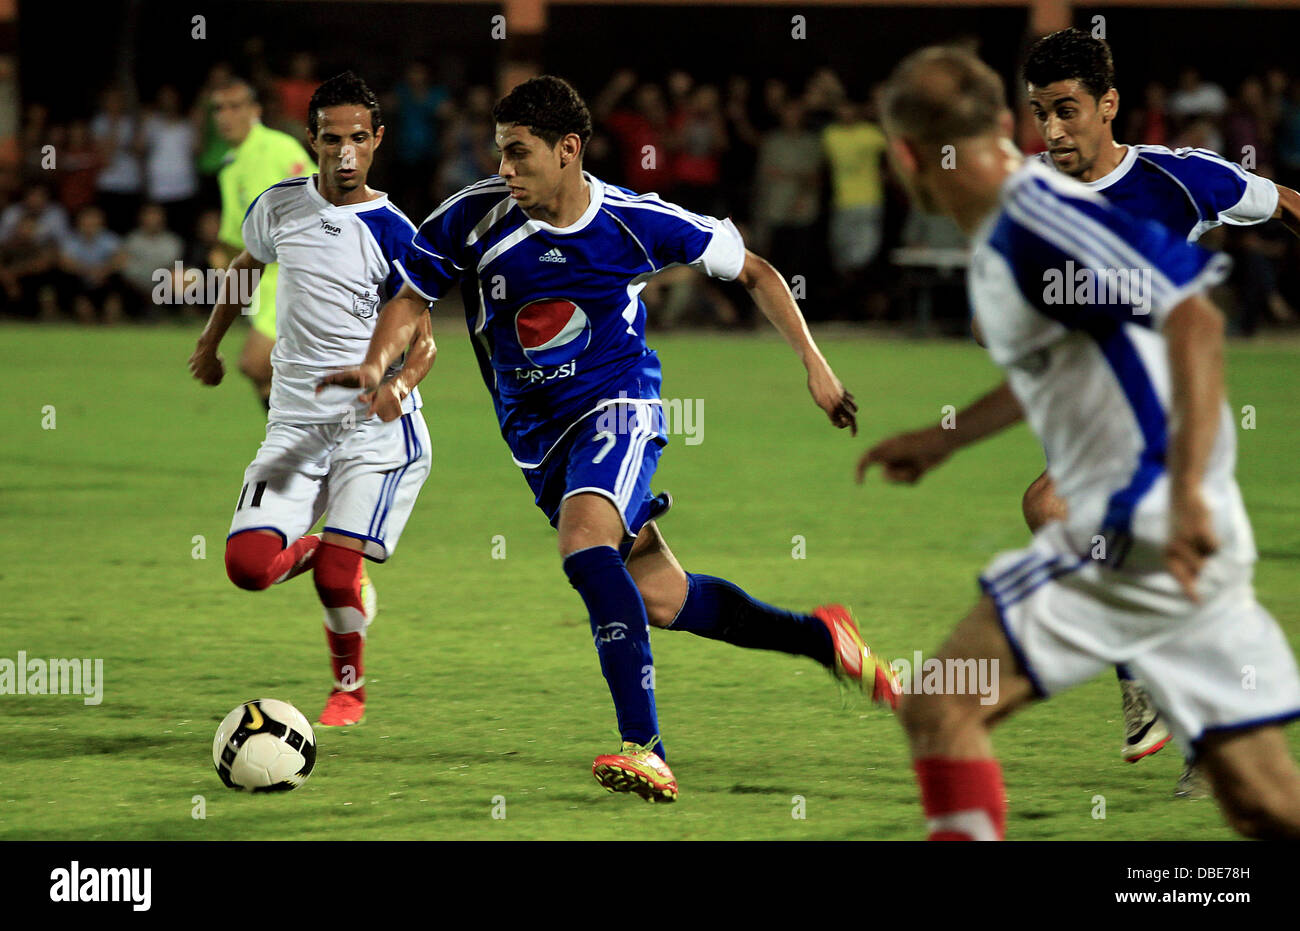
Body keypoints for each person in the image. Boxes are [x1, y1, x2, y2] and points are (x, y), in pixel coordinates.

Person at [323, 75, 898, 803]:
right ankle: (824, 639)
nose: (504, 169)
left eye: (519, 154)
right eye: (500, 153)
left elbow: (753, 269)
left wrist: (814, 363)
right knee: (662, 598)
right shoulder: (473, 218)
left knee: (586, 546)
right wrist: (379, 363)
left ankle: (645, 748)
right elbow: (412, 294)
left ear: (568, 151)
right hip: (535, 437)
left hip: (619, 408)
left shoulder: (632, 221)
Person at [861, 44, 1300, 840]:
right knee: (1264, 801)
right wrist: (942, 439)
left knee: (941, 703)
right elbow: (1054, 361)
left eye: (1067, 108)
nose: (1055, 127)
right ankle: (1159, 693)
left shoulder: (1043, 217)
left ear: (901, 157)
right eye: (1041, 112)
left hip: (1151, 515)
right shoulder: (1017, 224)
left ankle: (1145, 683)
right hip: (1164, 517)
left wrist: (1187, 487)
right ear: (1009, 119)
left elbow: (1193, 320)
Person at [189, 72, 435, 728]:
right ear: (313, 139)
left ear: (378, 140)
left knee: (334, 579)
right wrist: (211, 344)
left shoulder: (395, 232)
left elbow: (426, 343)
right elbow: (245, 265)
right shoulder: (280, 206)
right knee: (247, 567)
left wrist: (398, 389)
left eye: (359, 138)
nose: (346, 152)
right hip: (295, 425)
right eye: (333, 139)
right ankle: (328, 546)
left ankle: (348, 689)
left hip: (373, 435)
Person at [210, 76, 312, 410]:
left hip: (299, 274)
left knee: (255, 364)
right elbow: (233, 238)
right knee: (267, 375)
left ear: (255, 110)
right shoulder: (230, 164)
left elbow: (318, 204)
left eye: (234, 106)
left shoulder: (276, 149)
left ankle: (311, 448)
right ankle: (302, 451)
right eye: (218, 109)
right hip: (267, 281)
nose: (225, 115)